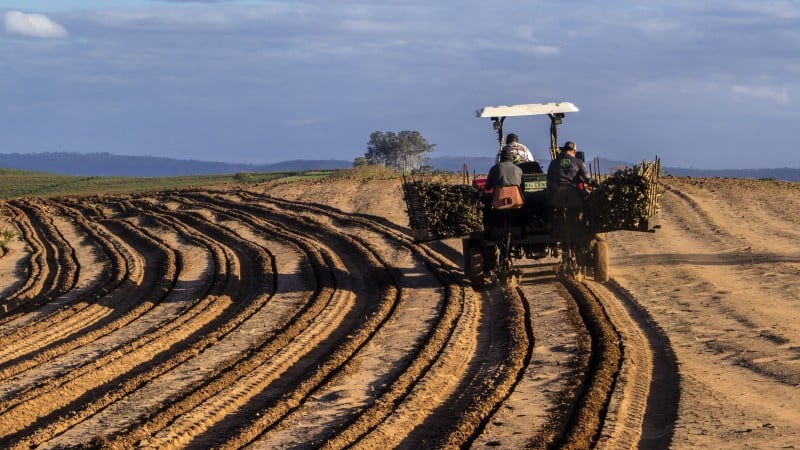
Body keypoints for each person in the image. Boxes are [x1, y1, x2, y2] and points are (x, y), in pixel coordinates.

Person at [546, 140, 598, 209]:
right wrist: (596, 184)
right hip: (574, 195)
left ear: (564, 150)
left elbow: (549, 181)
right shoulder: (578, 162)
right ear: (574, 151)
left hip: (557, 196)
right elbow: (588, 179)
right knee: (588, 202)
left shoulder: (553, 162)